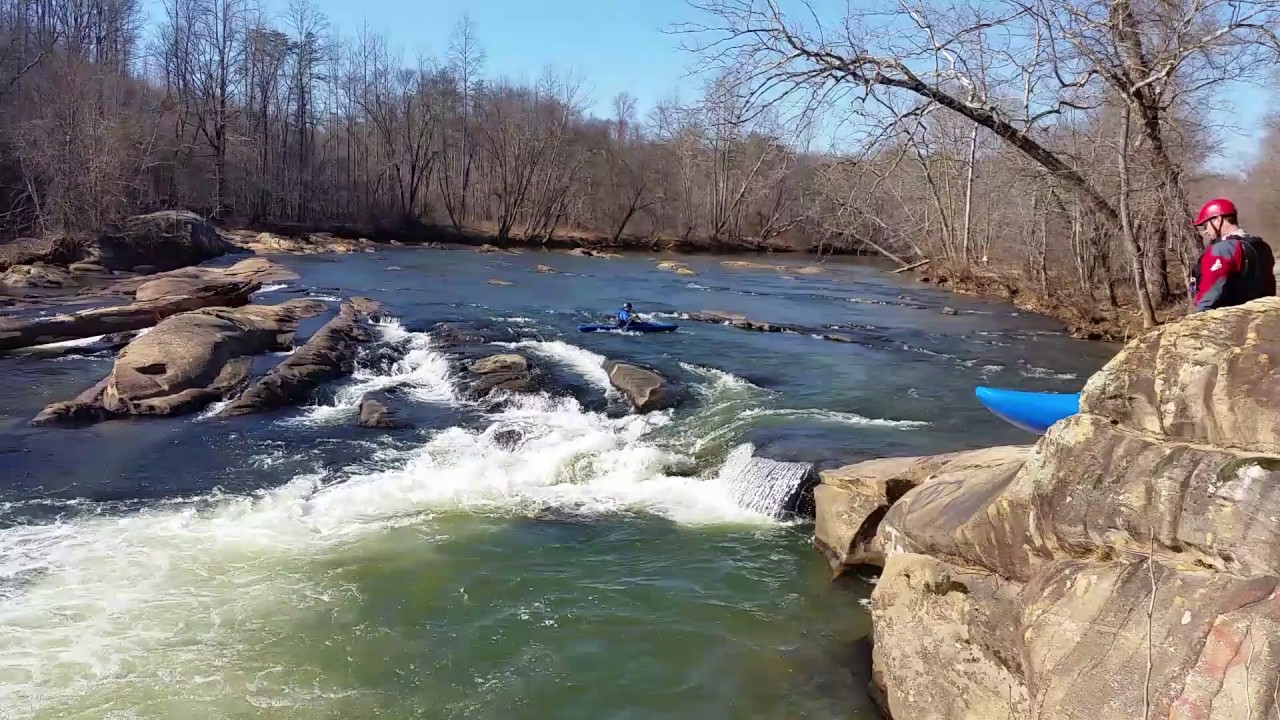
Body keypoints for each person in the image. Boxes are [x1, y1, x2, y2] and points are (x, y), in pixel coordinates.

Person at [1189, 197, 1276, 313]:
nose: (1205, 231)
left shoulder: (1221, 250)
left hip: (1226, 323)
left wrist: (1195, 323)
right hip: (1257, 318)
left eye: (1206, 225)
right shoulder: (1262, 246)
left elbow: (1207, 300)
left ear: (1218, 220)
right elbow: (1269, 292)